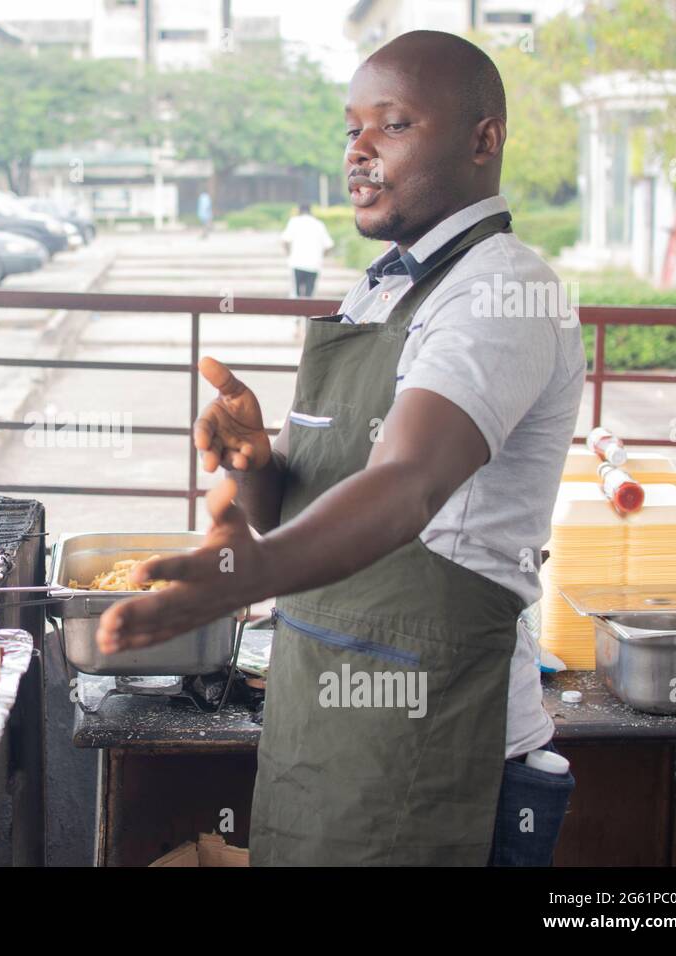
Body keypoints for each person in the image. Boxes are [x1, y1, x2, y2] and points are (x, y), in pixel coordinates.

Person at [96, 30, 585, 867]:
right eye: (350, 129)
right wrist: (254, 462)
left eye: (391, 124)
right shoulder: (381, 286)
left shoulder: (504, 292)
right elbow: (305, 504)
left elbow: (407, 483)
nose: (358, 150)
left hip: (446, 750)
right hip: (325, 732)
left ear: (483, 139)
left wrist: (250, 573)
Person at [281, 203, 334, 297]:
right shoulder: (319, 224)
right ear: (310, 211)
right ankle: (308, 311)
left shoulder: (294, 222)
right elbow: (329, 245)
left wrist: (289, 254)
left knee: (296, 293)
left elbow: (285, 241)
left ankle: (296, 311)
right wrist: (322, 257)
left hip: (297, 263)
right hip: (314, 264)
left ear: (299, 211)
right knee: (309, 294)